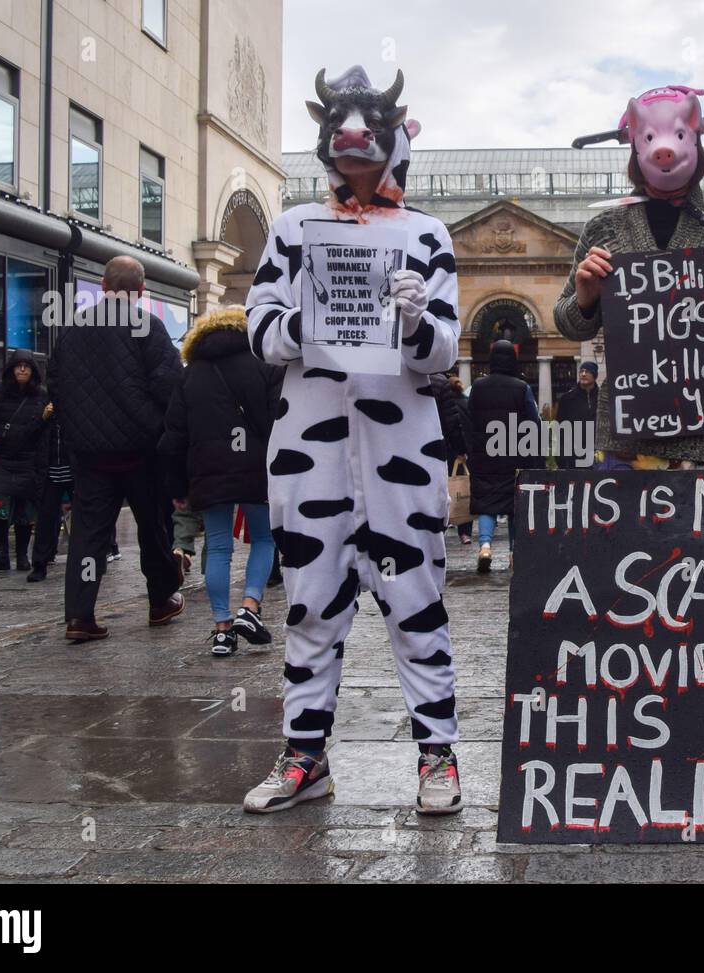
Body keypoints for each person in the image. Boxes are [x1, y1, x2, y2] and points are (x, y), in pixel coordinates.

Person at [242, 65, 463, 816]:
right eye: (344, 134)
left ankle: (437, 755)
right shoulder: (293, 227)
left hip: (401, 450)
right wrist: (303, 323)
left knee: (417, 599)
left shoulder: (428, 235)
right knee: (308, 603)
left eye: (371, 134)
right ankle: (307, 756)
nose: (357, 149)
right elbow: (259, 321)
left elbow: (443, 352)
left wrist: (414, 321)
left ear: (394, 139)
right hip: (310, 447)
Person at [556, 84, 704, 470]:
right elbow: (568, 324)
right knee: (631, 534)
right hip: (631, 446)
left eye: (679, 136)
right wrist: (585, 297)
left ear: (694, 141)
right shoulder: (604, 227)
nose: (664, 150)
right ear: (635, 145)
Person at [47, 255, 185, 641]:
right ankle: (160, 599)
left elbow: (56, 385)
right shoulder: (149, 327)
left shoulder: (73, 328)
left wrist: (75, 431)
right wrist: (158, 428)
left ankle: (79, 615)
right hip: (140, 450)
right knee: (153, 526)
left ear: (103, 286)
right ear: (141, 291)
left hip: (91, 455)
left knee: (88, 534)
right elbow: (169, 386)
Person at [162, 306, 283, 655]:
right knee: (263, 539)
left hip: (207, 469)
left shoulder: (190, 374)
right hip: (257, 468)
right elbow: (280, 420)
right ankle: (250, 606)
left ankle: (222, 630)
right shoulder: (265, 366)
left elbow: (174, 435)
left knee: (217, 546)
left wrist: (176, 486)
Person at [0, 349, 50, 572]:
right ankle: (1, 554)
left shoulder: (42, 395)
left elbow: (45, 431)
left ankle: (22, 556)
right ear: (11, 368)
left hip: (29, 459)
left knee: (25, 511)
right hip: (1, 459)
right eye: (18, 365)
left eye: (26, 366)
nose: (23, 369)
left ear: (33, 370)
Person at [468, 340, 538, 572]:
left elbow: (469, 420)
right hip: (513, 452)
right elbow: (533, 422)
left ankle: (485, 546)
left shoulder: (478, 386)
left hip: (484, 453)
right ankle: (514, 554)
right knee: (514, 504)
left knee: (487, 501)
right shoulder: (521, 387)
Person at [27, 405, 73, 582]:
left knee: (85, 520)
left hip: (74, 471)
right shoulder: (44, 407)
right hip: (49, 473)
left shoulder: (76, 405)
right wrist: (43, 417)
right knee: (45, 520)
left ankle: (90, 562)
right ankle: (39, 565)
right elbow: (28, 435)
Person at [431, 370, 472, 543]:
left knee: (434, 491)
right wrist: (462, 449)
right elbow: (453, 424)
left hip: (424, 448)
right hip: (448, 449)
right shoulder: (445, 387)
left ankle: (438, 528)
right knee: (461, 490)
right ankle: (464, 532)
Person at [555, 361, 599, 471]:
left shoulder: (603, 397)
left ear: (595, 375)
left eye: (587, 371)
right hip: (574, 455)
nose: (583, 374)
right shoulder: (567, 398)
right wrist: (561, 455)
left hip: (598, 454)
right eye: (581, 371)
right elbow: (560, 428)